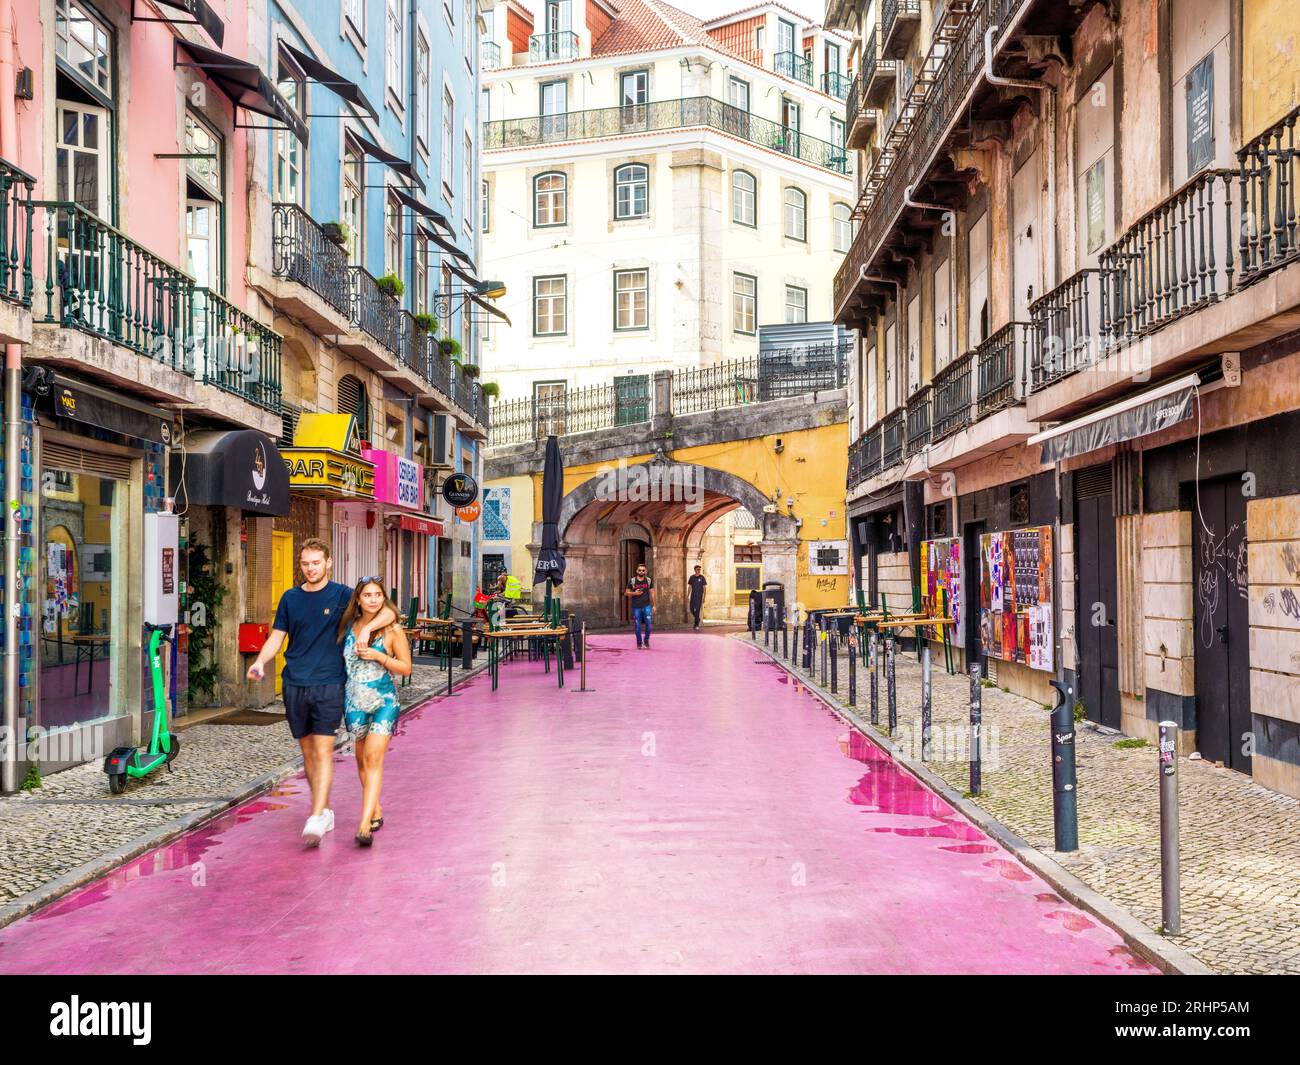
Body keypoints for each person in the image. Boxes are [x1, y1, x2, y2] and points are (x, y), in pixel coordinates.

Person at [246, 539, 395, 847]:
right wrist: (260, 661)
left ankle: (315, 815)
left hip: (329, 682)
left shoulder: (343, 595)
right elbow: (277, 636)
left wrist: (368, 629)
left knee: (324, 749)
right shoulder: (290, 598)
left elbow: (388, 612)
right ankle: (324, 811)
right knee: (308, 752)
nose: (310, 568)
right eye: (305, 563)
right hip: (294, 682)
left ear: (328, 563)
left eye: (316, 563)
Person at [337, 577, 411, 847]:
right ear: (358, 599)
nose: (373, 599)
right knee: (361, 762)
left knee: (372, 758)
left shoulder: (392, 630)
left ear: (383, 598)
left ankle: (364, 825)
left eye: (378, 595)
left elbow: (406, 668)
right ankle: (376, 810)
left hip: (384, 703)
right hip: (354, 703)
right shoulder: (348, 627)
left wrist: (380, 657)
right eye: (367, 595)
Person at [624, 563, 655, 648]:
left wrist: (654, 605)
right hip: (636, 607)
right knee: (637, 626)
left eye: (643, 570)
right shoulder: (632, 581)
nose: (641, 572)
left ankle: (646, 640)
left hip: (647, 606)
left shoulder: (648, 580)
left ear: (646, 571)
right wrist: (635, 593)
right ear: (637, 571)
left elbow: (652, 593)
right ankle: (639, 642)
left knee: (649, 625)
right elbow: (626, 593)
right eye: (640, 570)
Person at [687, 565, 707, 630]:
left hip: (699, 596)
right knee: (691, 609)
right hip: (693, 596)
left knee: (697, 610)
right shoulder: (692, 577)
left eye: (699, 569)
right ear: (695, 570)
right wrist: (687, 595)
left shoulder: (702, 577)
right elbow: (690, 587)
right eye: (697, 569)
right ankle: (697, 618)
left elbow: (704, 588)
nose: (699, 571)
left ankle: (696, 624)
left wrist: (704, 597)